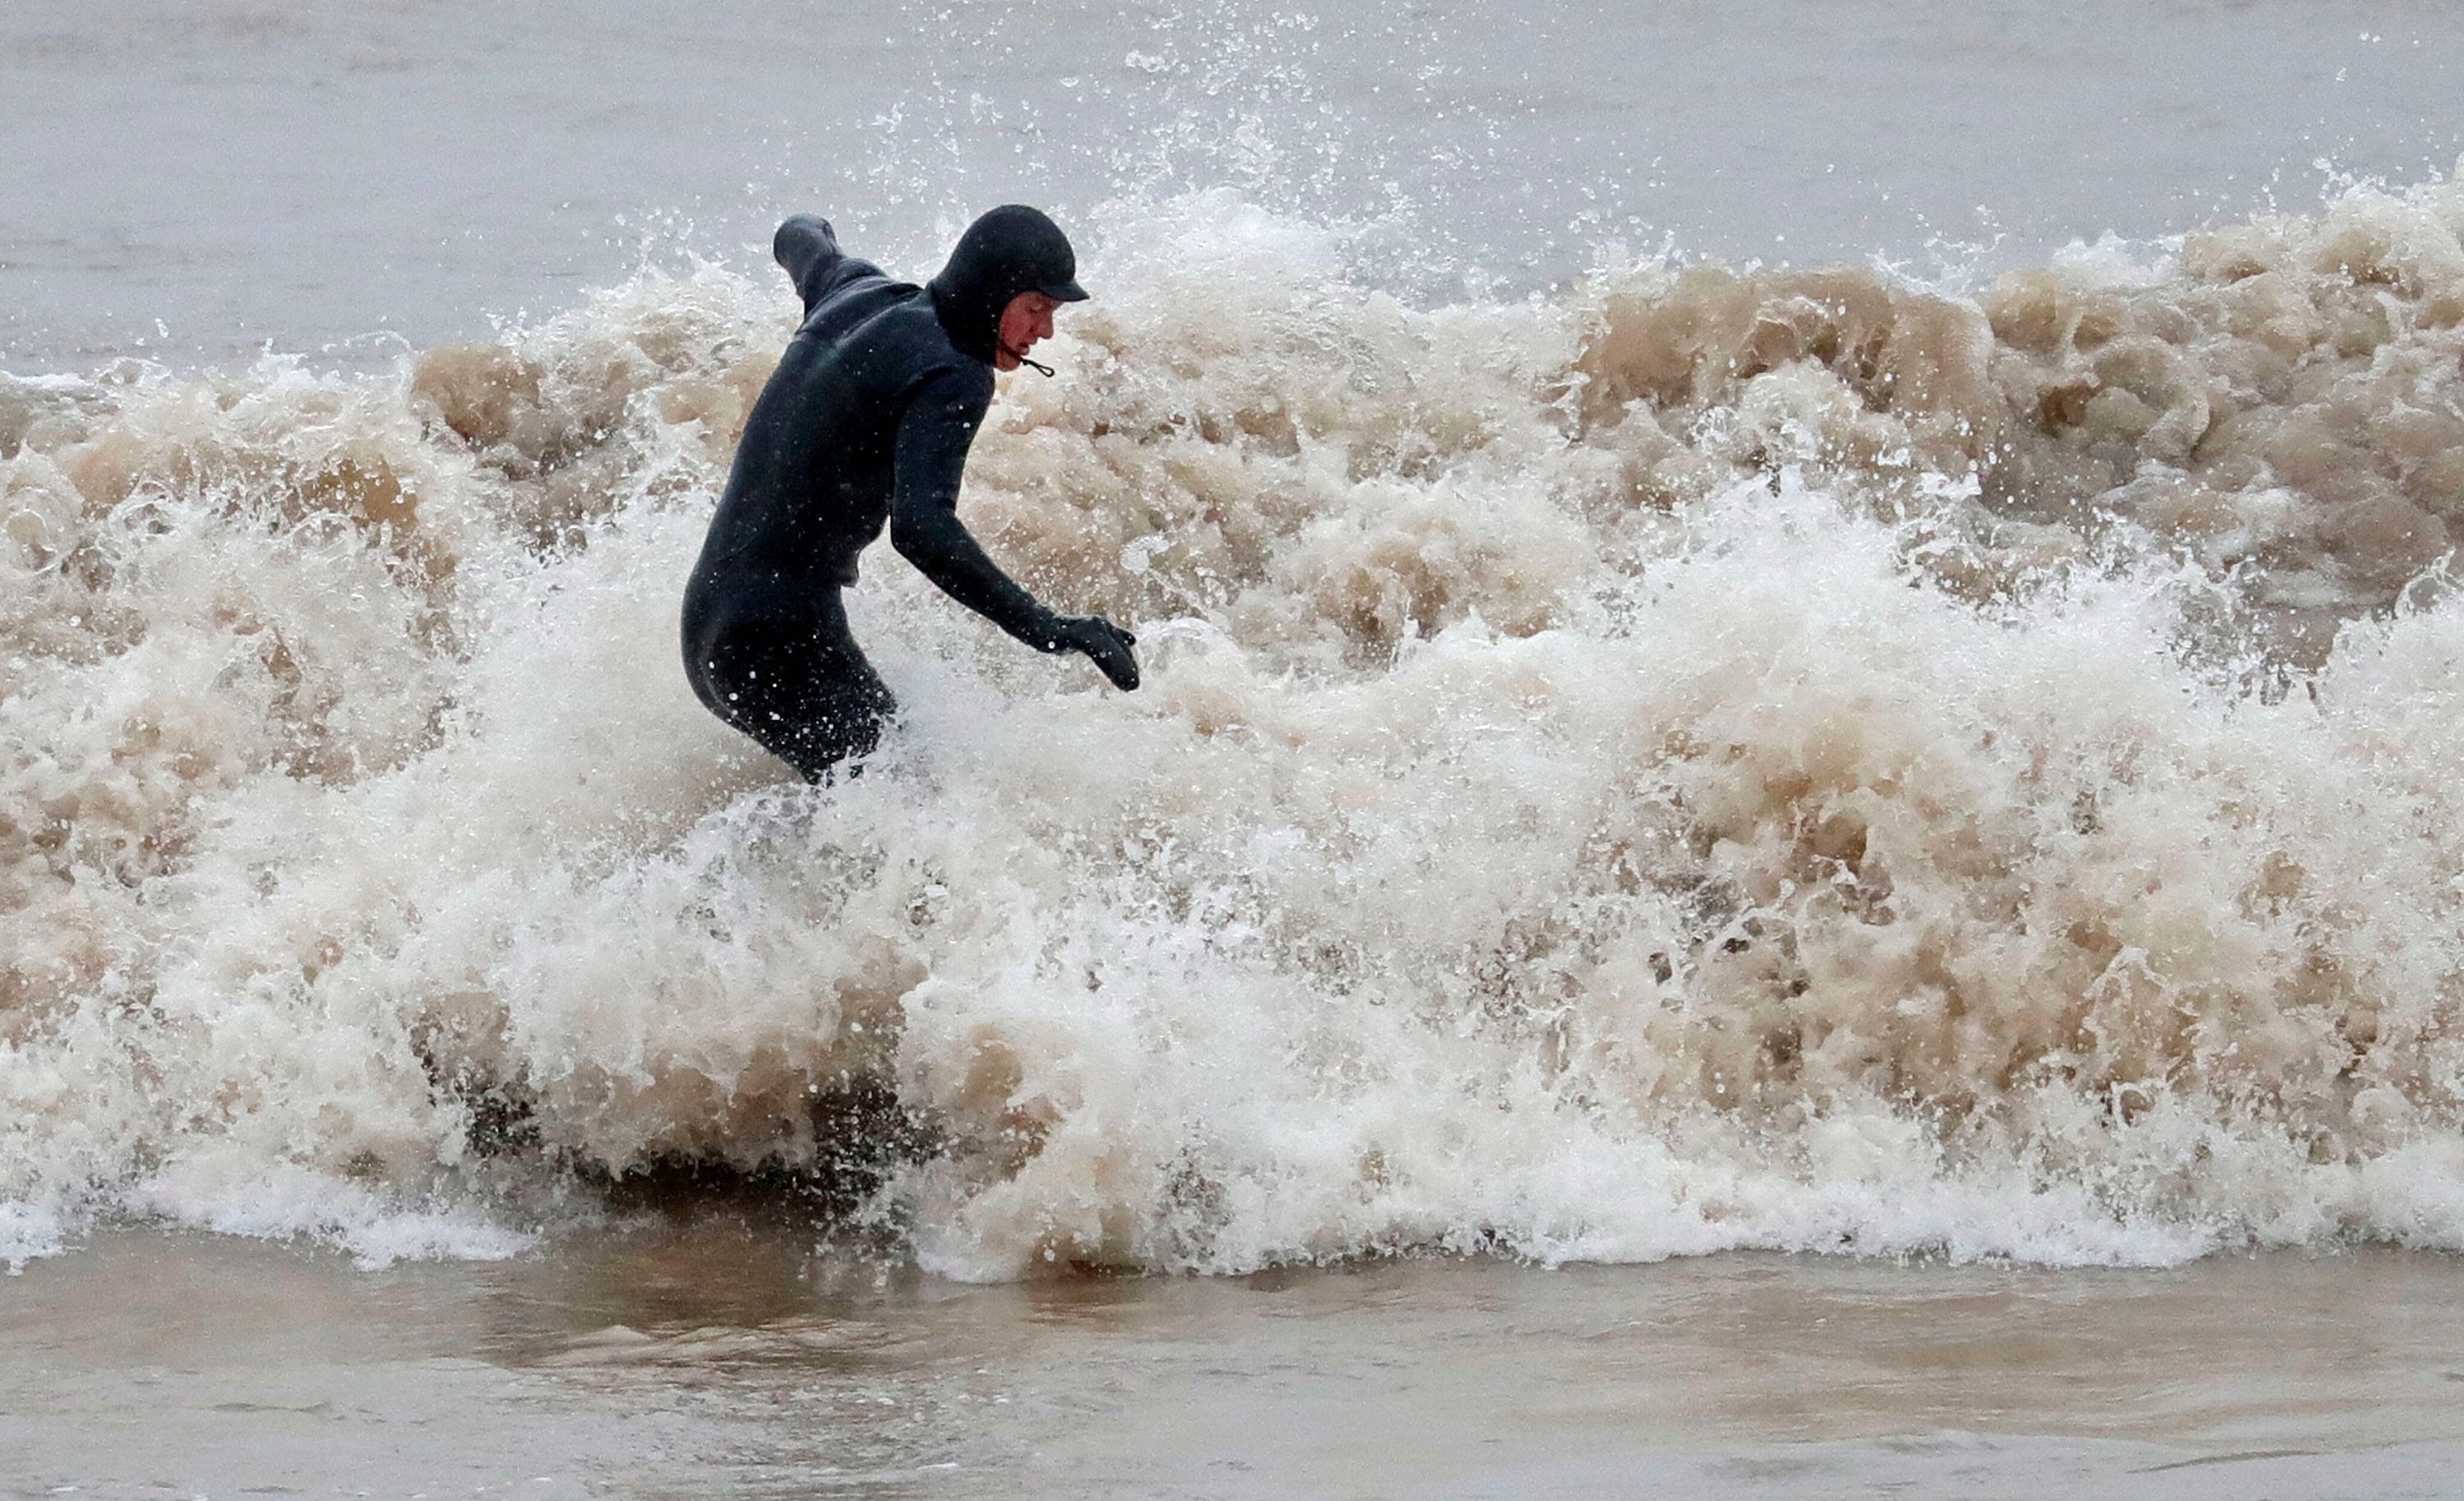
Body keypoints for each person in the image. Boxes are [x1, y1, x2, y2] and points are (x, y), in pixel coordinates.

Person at [681, 204, 1140, 781]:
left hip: (712, 625)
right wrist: (1048, 628)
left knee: (872, 809)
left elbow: (799, 237)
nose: (1044, 331)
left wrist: (813, 225)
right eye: (1036, 308)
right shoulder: (954, 374)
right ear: (993, 294)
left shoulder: (854, 289)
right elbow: (922, 529)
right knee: (906, 804)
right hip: (778, 639)